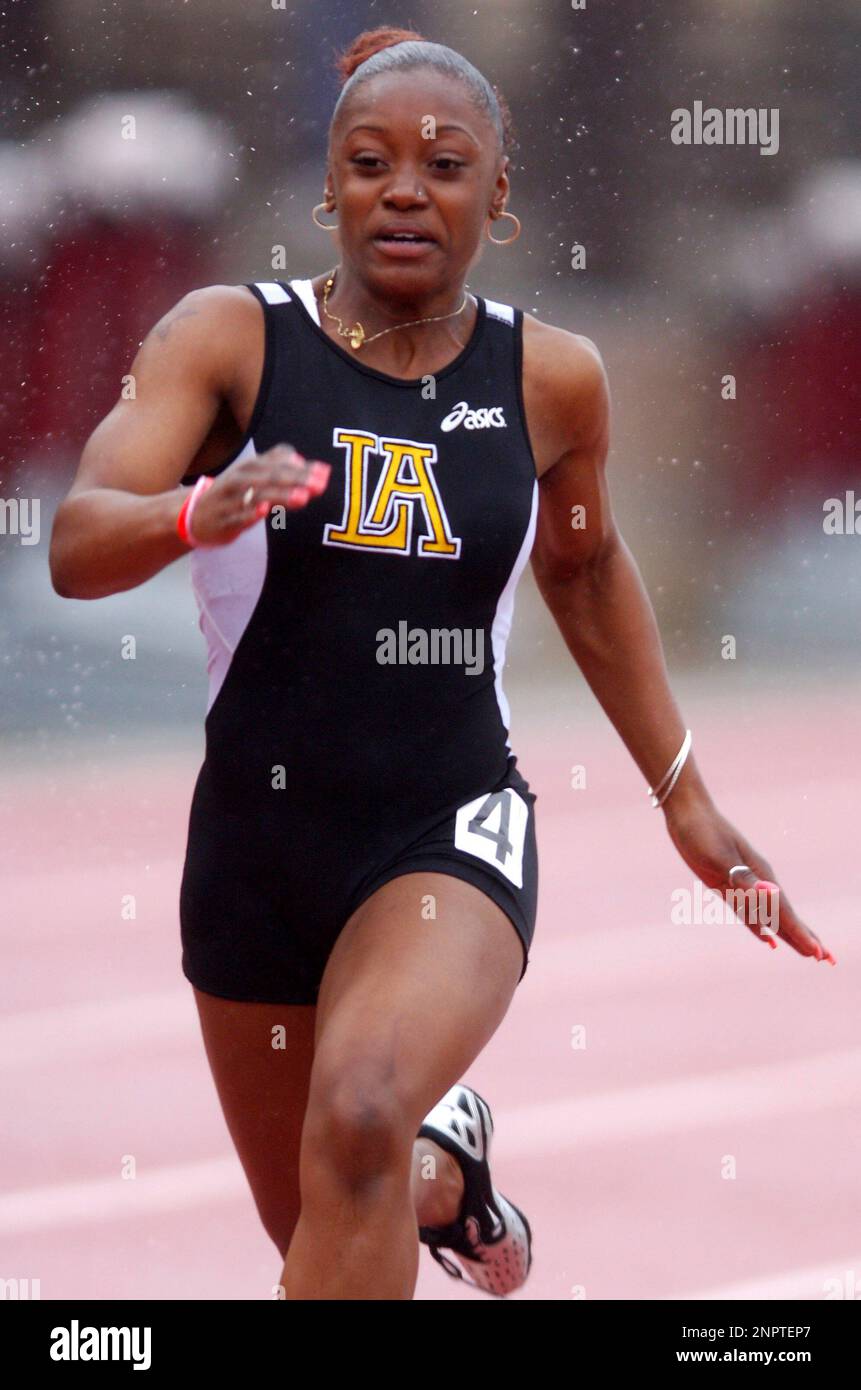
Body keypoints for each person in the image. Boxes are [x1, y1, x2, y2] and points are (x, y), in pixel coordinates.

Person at [49, 26, 834, 1301]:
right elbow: (77, 544)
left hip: (446, 827)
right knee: (323, 1210)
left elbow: (582, 570)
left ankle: (401, 1143)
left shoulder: (554, 380)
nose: (403, 188)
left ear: (497, 197)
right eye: (369, 162)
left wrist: (685, 792)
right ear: (328, 186)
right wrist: (198, 511)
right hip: (253, 851)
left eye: (443, 164)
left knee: (354, 1112)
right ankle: (442, 1177)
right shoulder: (226, 343)